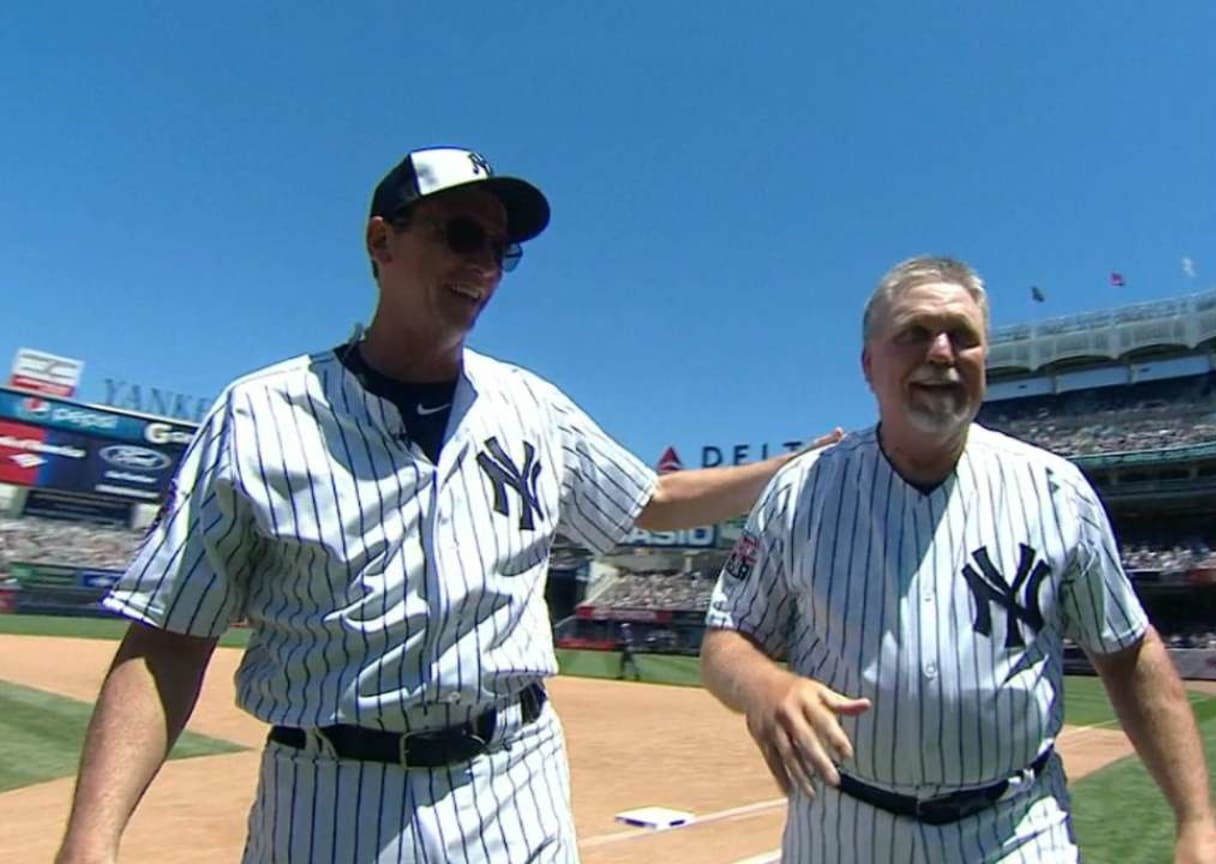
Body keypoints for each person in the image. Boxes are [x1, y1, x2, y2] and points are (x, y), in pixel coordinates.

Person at [54, 146, 838, 864]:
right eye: (463, 234)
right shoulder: (260, 415)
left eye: (503, 249)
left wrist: (794, 467)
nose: (486, 264)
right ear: (381, 241)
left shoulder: (530, 406)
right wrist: (89, 845)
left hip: (512, 786)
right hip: (330, 802)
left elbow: (651, 497)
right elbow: (167, 640)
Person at [699, 256, 1216, 863]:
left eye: (964, 336)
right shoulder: (799, 492)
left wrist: (1198, 820)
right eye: (915, 334)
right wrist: (764, 684)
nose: (942, 351)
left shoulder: (1057, 491)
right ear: (870, 366)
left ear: (985, 362)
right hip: (843, 831)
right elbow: (725, 642)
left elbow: (1129, 653)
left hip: (1014, 831)